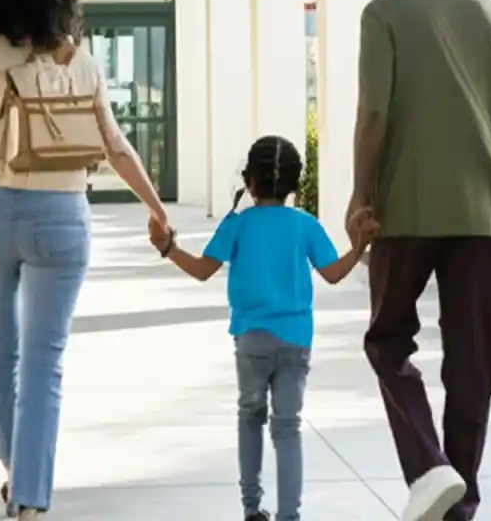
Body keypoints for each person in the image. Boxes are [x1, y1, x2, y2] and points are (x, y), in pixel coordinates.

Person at [0, 0, 169, 520]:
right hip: (62, 217)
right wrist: (156, 208)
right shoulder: (81, 59)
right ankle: (31, 497)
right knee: (46, 356)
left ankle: (12, 463)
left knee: (1, 348)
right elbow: (116, 147)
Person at [349, 0, 491, 521]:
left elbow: (373, 115)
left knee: (387, 340)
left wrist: (361, 196)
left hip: (406, 210)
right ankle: (462, 500)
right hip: (485, 215)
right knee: (472, 360)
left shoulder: (385, 12)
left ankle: (429, 469)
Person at [149, 136, 378, 521]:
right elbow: (334, 274)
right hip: (296, 341)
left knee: (250, 417)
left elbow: (203, 270)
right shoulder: (305, 225)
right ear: (294, 183)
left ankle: (252, 508)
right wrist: (358, 248)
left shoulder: (237, 225)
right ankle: (290, 516)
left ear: (248, 180)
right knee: (287, 428)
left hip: (252, 340)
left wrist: (167, 247)